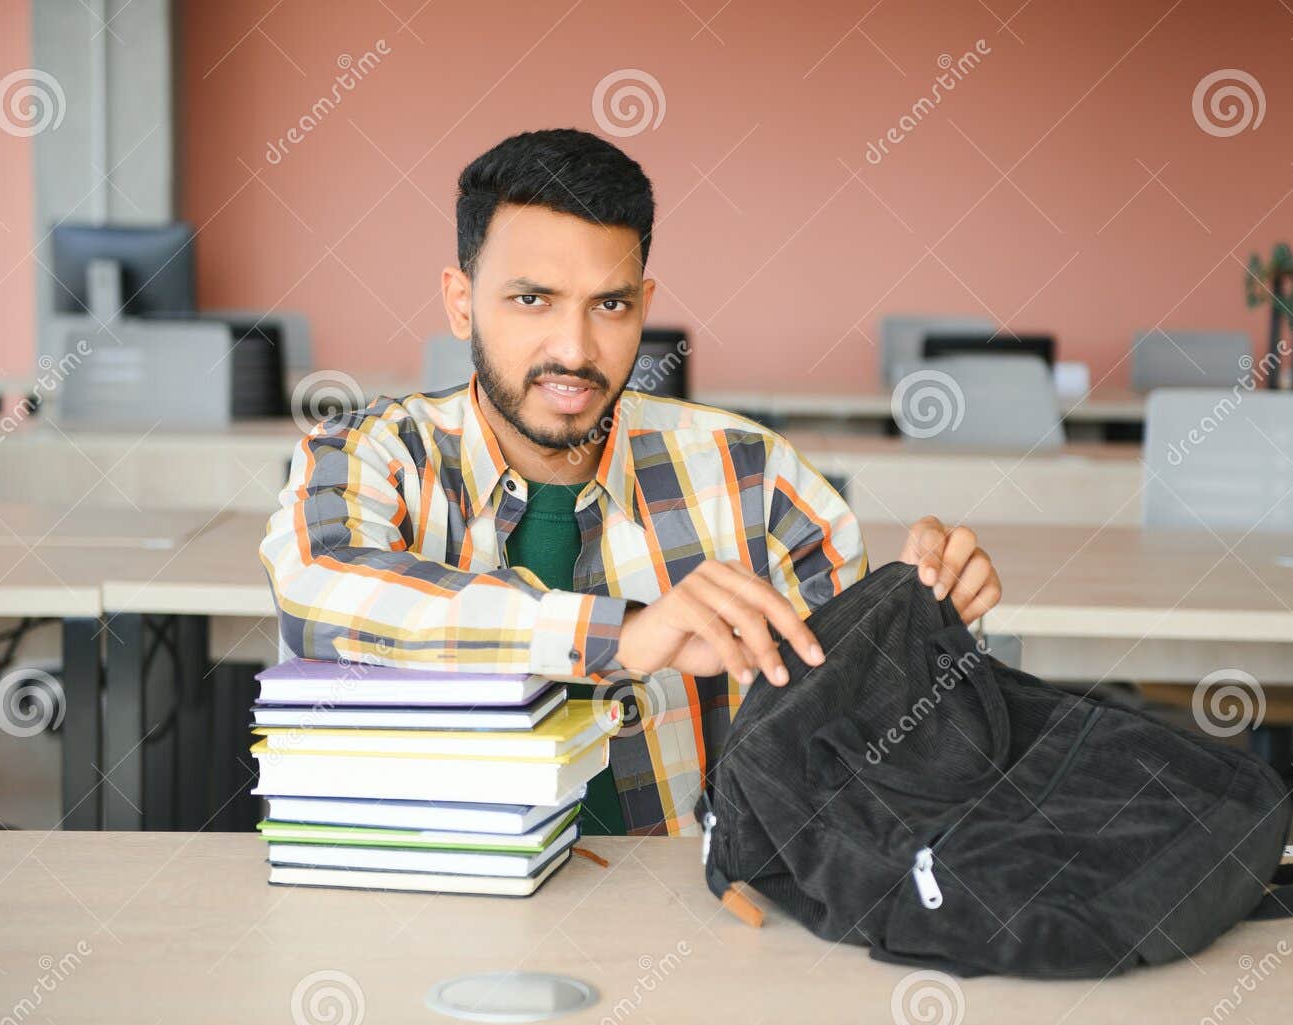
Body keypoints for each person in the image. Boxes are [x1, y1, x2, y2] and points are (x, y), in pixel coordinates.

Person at [260, 128, 1001, 836]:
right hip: (433, 905)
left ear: (644, 305)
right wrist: (629, 635)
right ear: (460, 301)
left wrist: (926, 625)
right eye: (532, 299)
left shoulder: (757, 475)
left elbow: (858, 740)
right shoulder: (370, 453)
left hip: (690, 909)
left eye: (609, 305)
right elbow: (321, 591)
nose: (574, 349)